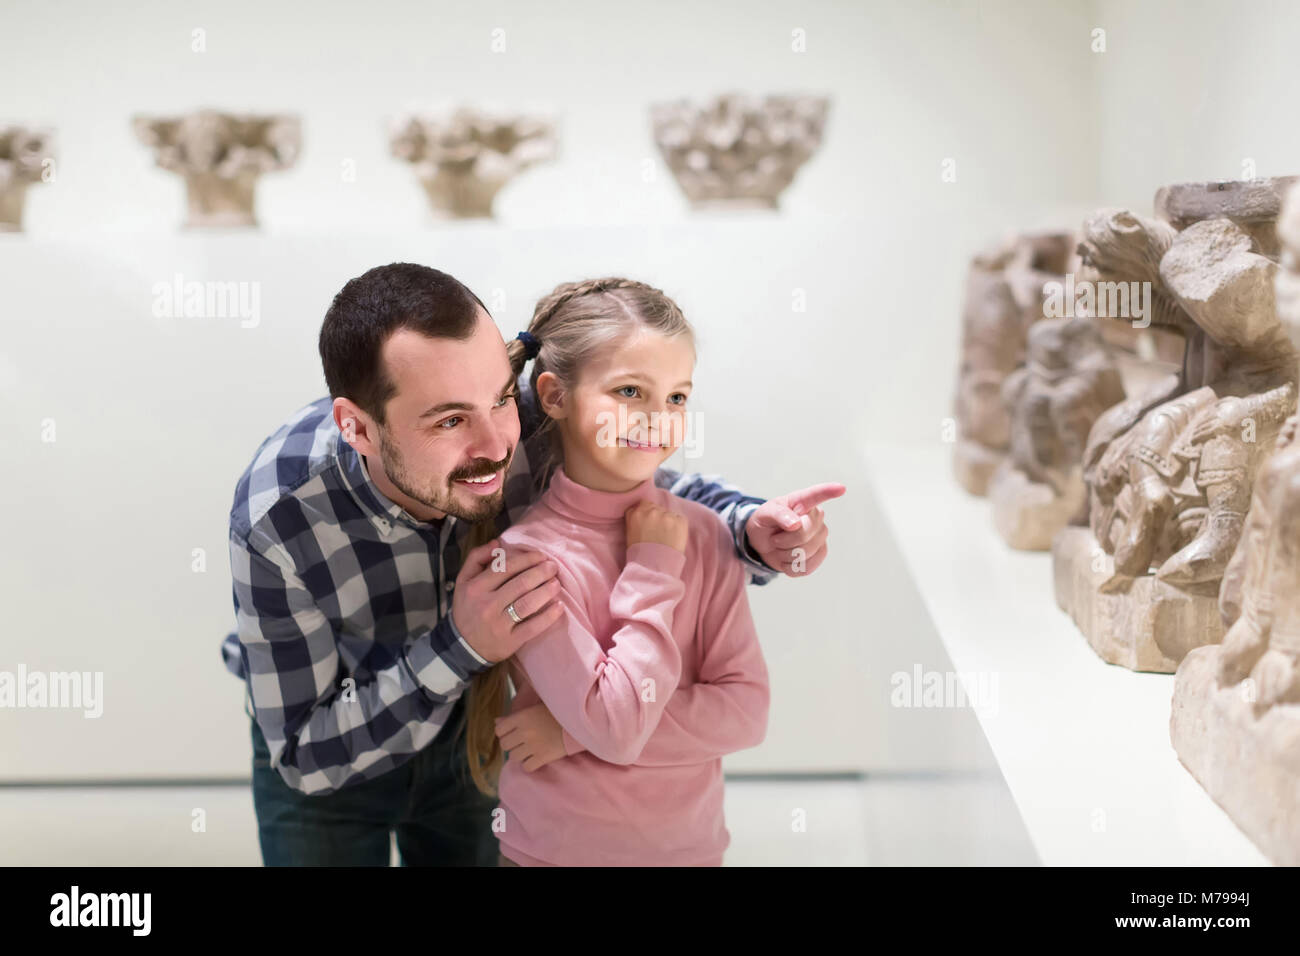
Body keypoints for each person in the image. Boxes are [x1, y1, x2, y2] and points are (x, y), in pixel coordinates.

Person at [222, 262, 843, 866]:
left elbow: (653, 488)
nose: (497, 445)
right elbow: (305, 753)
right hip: (337, 745)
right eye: (449, 420)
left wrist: (751, 530)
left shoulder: (532, 411)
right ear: (357, 429)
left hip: (480, 734)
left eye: (497, 400)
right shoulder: (278, 517)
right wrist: (462, 645)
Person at [485, 277, 794, 866]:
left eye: (677, 398)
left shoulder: (702, 534)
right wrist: (653, 569)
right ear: (553, 395)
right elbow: (617, 726)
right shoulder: (527, 558)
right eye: (630, 390)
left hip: (689, 852)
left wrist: (570, 734)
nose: (658, 418)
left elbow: (746, 711)